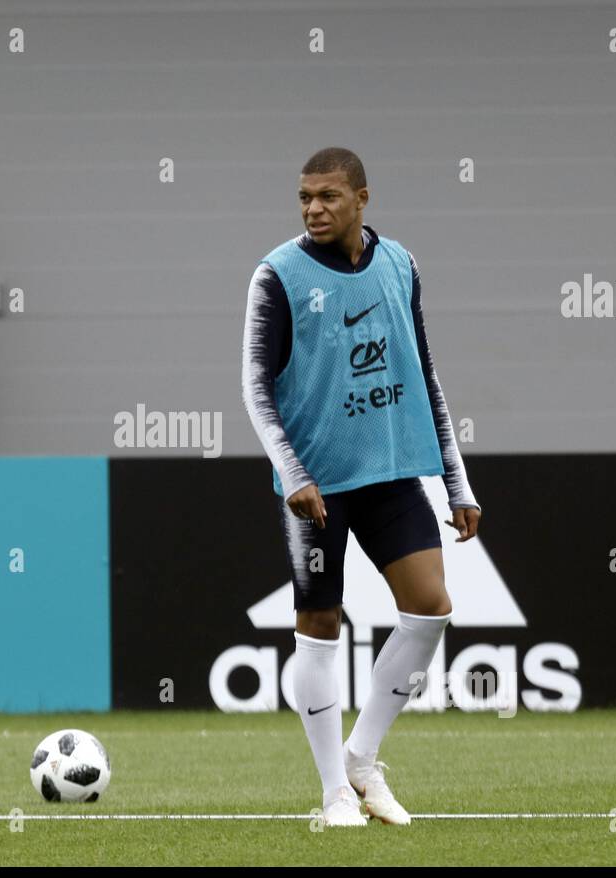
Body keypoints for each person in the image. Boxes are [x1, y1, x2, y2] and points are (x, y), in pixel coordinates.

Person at [240, 147, 482, 827]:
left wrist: (456, 481)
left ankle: (362, 760)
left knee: (430, 606)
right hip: (317, 485)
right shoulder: (277, 277)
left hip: (393, 472)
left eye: (327, 197)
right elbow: (255, 387)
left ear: (362, 199)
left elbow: (424, 372)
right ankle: (332, 794)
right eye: (304, 199)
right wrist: (293, 473)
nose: (314, 209)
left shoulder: (400, 266)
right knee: (319, 622)